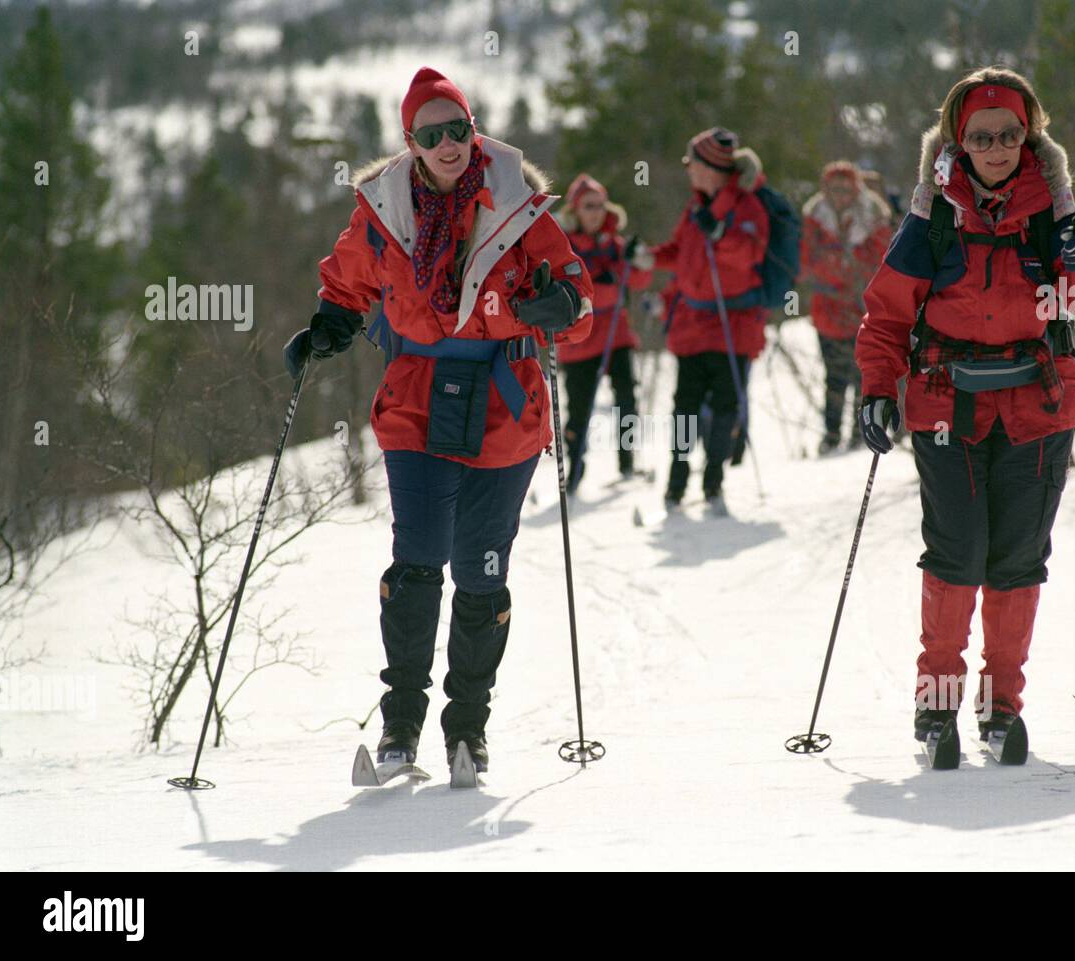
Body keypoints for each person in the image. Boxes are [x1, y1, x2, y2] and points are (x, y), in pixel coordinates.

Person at [283, 67, 593, 773]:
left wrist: (562, 309)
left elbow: (576, 292)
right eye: (433, 133)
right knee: (417, 559)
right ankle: (400, 729)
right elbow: (348, 281)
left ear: (473, 130)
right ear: (411, 142)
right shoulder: (385, 209)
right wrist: (330, 327)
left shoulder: (520, 204)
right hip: (416, 402)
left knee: (482, 570)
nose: (450, 143)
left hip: (505, 407)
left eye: (460, 128)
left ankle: (468, 730)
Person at [854, 66, 1075, 760]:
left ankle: (1002, 705)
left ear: (1028, 135)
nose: (998, 147)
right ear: (959, 140)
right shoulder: (933, 217)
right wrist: (877, 388)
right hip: (949, 403)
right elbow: (887, 312)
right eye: (983, 136)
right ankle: (937, 703)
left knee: (1017, 559)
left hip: (1039, 406)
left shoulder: (1056, 212)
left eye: (1009, 134)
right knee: (956, 553)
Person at [651, 127, 769, 515]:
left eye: (691, 163)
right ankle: (676, 481)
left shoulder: (746, 205)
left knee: (724, 407)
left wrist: (720, 233)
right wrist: (646, 257)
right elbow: (681, 252)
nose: (688, 170)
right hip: (692, 326)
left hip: (731, 327)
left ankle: (713, 481)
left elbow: (750, 254)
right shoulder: (696, 206)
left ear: (710, 167)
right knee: (683, 407)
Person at [553, 173, 654, 495]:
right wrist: (609, 286)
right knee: (579, 409)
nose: (595, 212)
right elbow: (582, 293)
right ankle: (576, 469)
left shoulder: (615, 244)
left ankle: (627, 462)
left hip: (615, 333)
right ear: (575, 210)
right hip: (578, 339)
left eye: (599, 205)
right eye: (588, 206)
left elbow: (638, 282)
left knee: (627, 397)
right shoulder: (562, 246)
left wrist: (639, 261)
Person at [800, 161, 894, 454]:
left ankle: (859, 431)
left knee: (862, 373)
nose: (840, 195)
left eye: (845, 189)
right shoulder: (815, 218)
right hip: (828, 310)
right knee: (834, 375)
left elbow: (880, 259)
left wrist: (843, 267)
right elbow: (805, 263)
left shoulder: (874, 217)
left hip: (862, 308)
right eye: (834, 189)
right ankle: (831, 433)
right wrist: (839, 267)